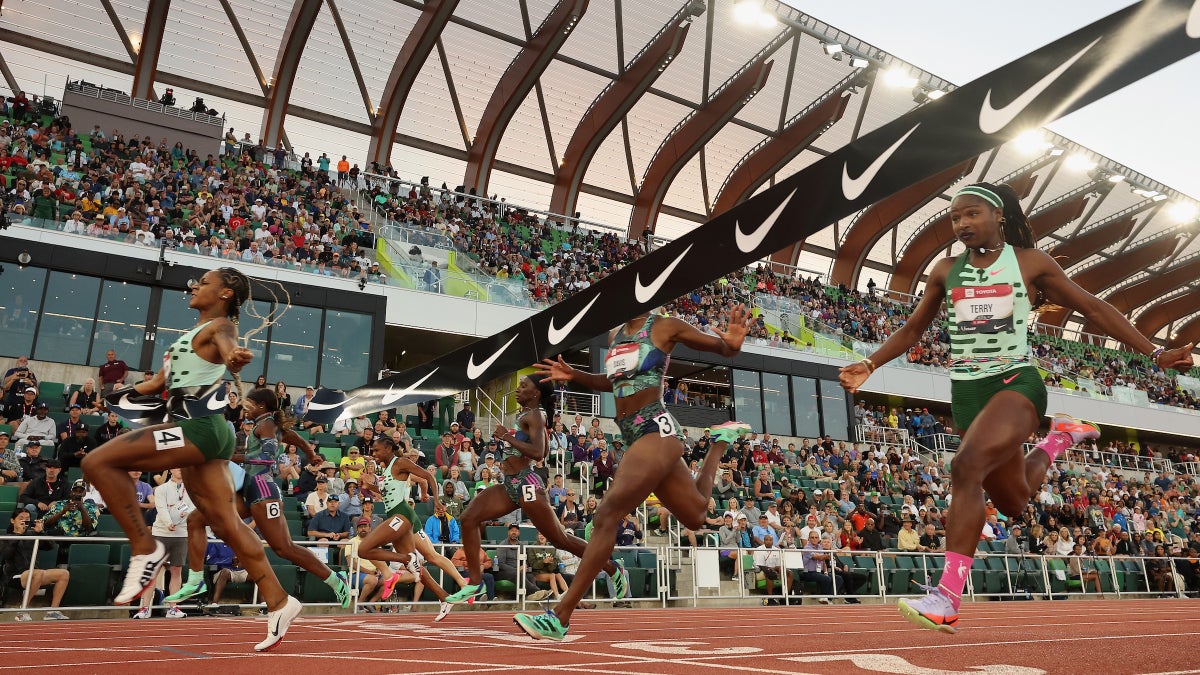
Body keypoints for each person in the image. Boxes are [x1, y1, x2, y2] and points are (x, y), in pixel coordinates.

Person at [839, 183, 1195, 634]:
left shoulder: (1029, 263)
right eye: (954, 219)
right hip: (967, 394)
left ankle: (946, 597)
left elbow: (1091, 306)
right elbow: (913, 328)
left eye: (971, 214)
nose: (962, 224)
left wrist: (1153, 353)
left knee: (965, 467)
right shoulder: (944, 270)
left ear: (999, 216)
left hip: (1016, 383)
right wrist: (871, 362)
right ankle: (1059, 439)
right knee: (1013, 502)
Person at [80, 267, 302, 652]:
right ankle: (280, 601)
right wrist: (117, 395)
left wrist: (236, 357)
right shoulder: (189, 337)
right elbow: (154, 385)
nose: (195, 285)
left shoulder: (220, 327)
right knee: (228, 524)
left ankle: (145, 548)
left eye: (206, 281)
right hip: (210, 433)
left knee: (96, 463)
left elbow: (231, 346)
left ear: (226, 294)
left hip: (198, 430)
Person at [517, 306, 752, 640]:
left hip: (655, 429)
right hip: (634, 434)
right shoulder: (616, 335)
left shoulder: (665, 326)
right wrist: (575, 377)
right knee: (697, 516)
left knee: (607, 514)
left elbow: (724, 348)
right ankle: (718, 443)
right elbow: (612, 382)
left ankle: (560, 616)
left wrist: (732, 343)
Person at [446, 374, 629, 606]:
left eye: (524, 386)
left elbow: (538, 452)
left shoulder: (533, 414)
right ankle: (475, 581)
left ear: (535, 394)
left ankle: (613, 569)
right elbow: (540, 450)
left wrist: (506, 438)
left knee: (561, 539)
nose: (517, 390)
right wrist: (510, 438)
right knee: (469, 519)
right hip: (510, 484)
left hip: (527, 484)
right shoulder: (527, 415)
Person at [165, 388, 350, 609]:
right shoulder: (270, 424)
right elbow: (295, 437)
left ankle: (335, 580)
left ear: (261, 405)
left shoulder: (266, 426)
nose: (245, 408)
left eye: (249, 404)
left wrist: (230, 456)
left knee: (284, 548)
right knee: (196, 520)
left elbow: (266, 460)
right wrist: (310, 454)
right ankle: (196, 580)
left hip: (263, 490)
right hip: (248, 488)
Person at [352, 436, 456, 621]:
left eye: (376, 450)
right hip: (394, 515)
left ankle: (404, 560)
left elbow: (428, 476)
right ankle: (444, 597)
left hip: (402, 515)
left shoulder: (400, 462)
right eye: (372, 451)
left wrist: (436, 500)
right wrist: (369, 486)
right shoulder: (385, 469)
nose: (373, 454)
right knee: (415, 568)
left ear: (388, 448)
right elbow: (387, 493)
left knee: (363, 549)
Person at [2, 509, 70, 621]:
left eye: (27, 519)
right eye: (21, 518)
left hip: (35, 573)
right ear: (12, 520)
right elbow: (6, 554)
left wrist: (41, 532)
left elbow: (50, 547)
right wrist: (18, 535)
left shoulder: (33, 535)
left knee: (63, 574)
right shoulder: (6, 537)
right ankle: (23, 610)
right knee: (37, 573)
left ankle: (52, 611)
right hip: (15, 576)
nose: (24, 521)